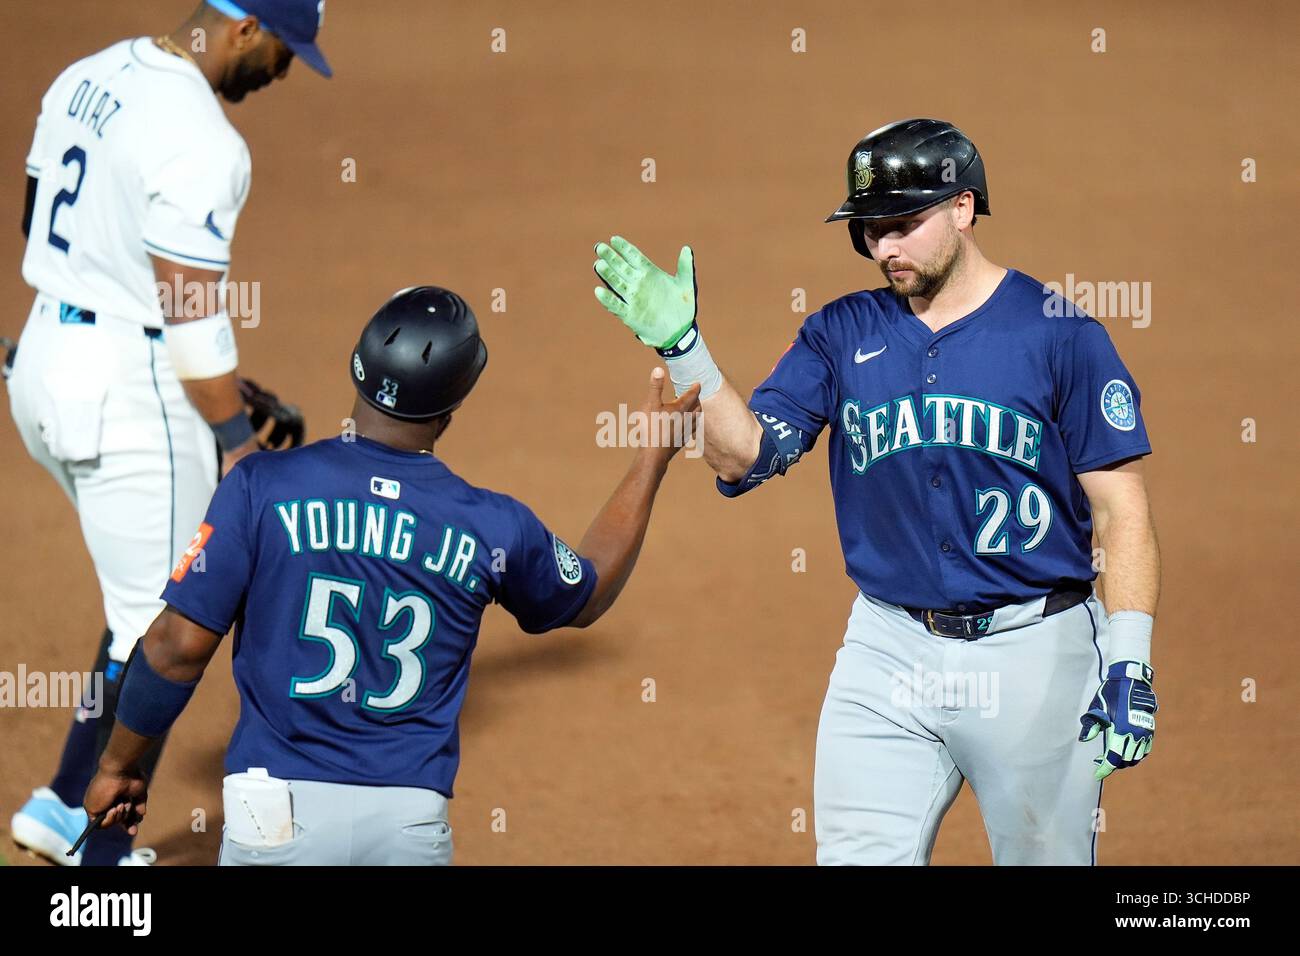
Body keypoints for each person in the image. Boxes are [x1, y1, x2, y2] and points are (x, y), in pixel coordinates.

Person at [591, 118, 1161, 865]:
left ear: (964, 206)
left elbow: (1123, 511)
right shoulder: (840, 332)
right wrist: (684, 348)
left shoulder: (1059, 335)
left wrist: (1129, 659)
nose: (884, 247)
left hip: (1034, 654)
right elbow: (742, 458)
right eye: (868, 231)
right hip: (886, 652)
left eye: (904, 224)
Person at [83, 286, 700, 865]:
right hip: (407, 825)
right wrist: (653, 458)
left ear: (357, 365)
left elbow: (177, 646)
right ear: (455, 402)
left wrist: (119, 765)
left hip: (272, 813)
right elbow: (586, 591)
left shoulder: (260, 487)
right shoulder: (492, 526)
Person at [6, 0, 330, 867]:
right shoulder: (206, 141)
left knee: (135, 603)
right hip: (126, 389)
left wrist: (207, 379)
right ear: (243, 28)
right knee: (167, 622)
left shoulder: (92, 72)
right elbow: (189, 311)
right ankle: (99, 863)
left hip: (47, 353)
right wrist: (234, 436)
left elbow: (40, 213)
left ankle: (58, 806)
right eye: (287, 50)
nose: (285, 70)